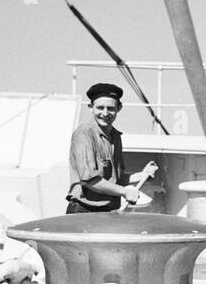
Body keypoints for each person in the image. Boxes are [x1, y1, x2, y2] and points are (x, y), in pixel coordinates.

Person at [66, 82, 156, 214]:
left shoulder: (115, 136)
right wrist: (125, 191)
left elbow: (115, 179)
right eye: (100, 108)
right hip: (84, 212)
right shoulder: (84, 134)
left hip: (108, 211)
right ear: (91, 107)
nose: (105, 113)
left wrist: (142, 175)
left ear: (119, 108)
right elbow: (89, 180)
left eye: (110, 108)